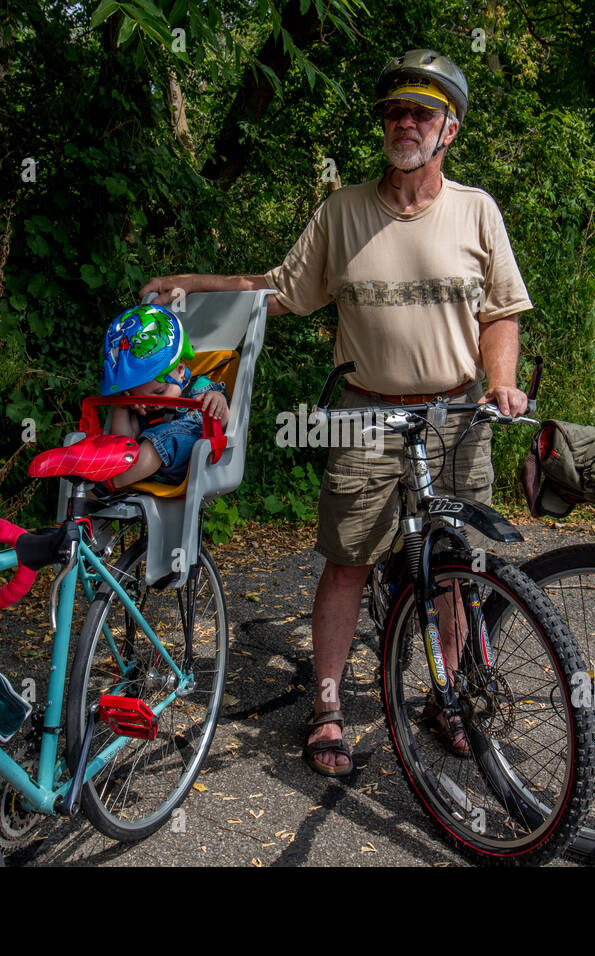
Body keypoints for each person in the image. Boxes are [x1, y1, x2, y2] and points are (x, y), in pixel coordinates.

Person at [140, 49, 531, 776]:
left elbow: (501, 311)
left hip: (456, 416)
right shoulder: (343, 211)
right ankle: (325, 705)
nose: (405, 122)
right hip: (365, 415)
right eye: (394, 111)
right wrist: (189, 287)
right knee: (348, 562)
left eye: (421, 112)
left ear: (450, 130)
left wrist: (502, 384)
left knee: (452, 567)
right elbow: (280, 290)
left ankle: (453, 696)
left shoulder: (476, 209)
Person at [100, 303, 230, 489]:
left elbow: (225, 423)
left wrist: (218, 402)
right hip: (143, 470)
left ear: (180, 370)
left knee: (163, 438)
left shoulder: (201, 388)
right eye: (141, 397)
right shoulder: (147, 408)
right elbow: (123, 440)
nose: (151, 402)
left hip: (192, 464)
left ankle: (107, 487)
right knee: (131, 443)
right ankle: (83, 505)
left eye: (159, 392)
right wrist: (124, 404)